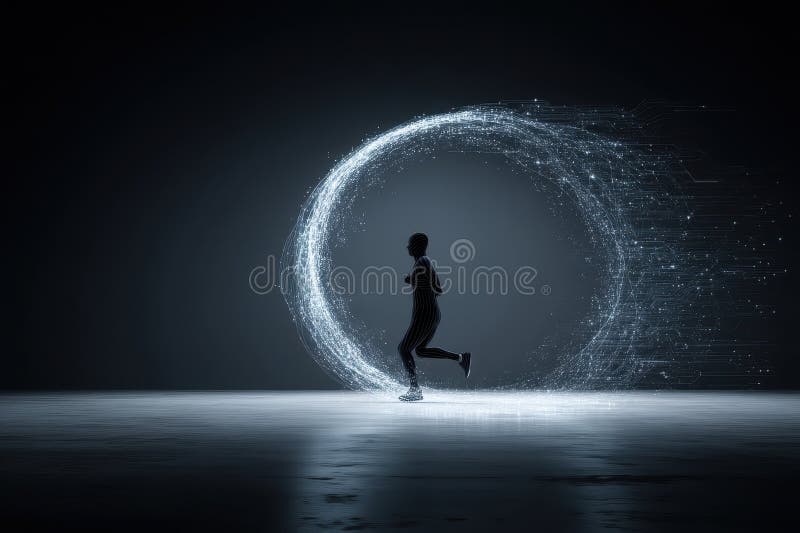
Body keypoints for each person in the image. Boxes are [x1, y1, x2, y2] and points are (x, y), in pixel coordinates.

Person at [397, 233, 471, 401]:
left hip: (425, 314)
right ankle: (461, 358)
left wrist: (413, 281)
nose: (407, 247)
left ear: (417, 246)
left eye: (410, 244)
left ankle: (415, 390)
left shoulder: (422, 262)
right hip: (431, 313)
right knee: (420, 350)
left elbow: (436, 288)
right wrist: (414, 282)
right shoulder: (423, 263)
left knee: (403, 349)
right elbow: (438, 289)